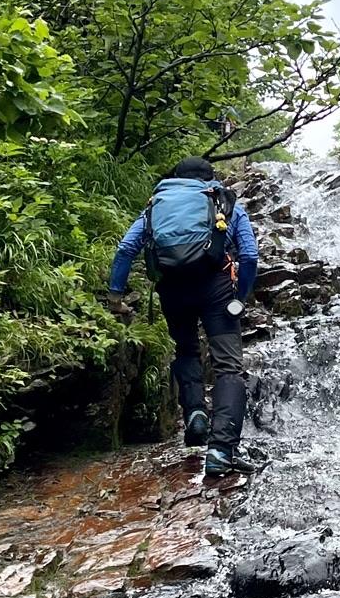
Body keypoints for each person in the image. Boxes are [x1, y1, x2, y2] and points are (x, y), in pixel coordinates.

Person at [108, 157, 258, 476]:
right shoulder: (221, 201)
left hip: (173, 289)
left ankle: (194, 414)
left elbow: (125, 249)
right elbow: (249, 254)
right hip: (217, 289)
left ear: (177, 179)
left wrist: (116, 297)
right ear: (210, 179)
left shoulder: (157, 205)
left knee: (186, 350)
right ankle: (220, 450)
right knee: (228, 366)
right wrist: (240, 298)